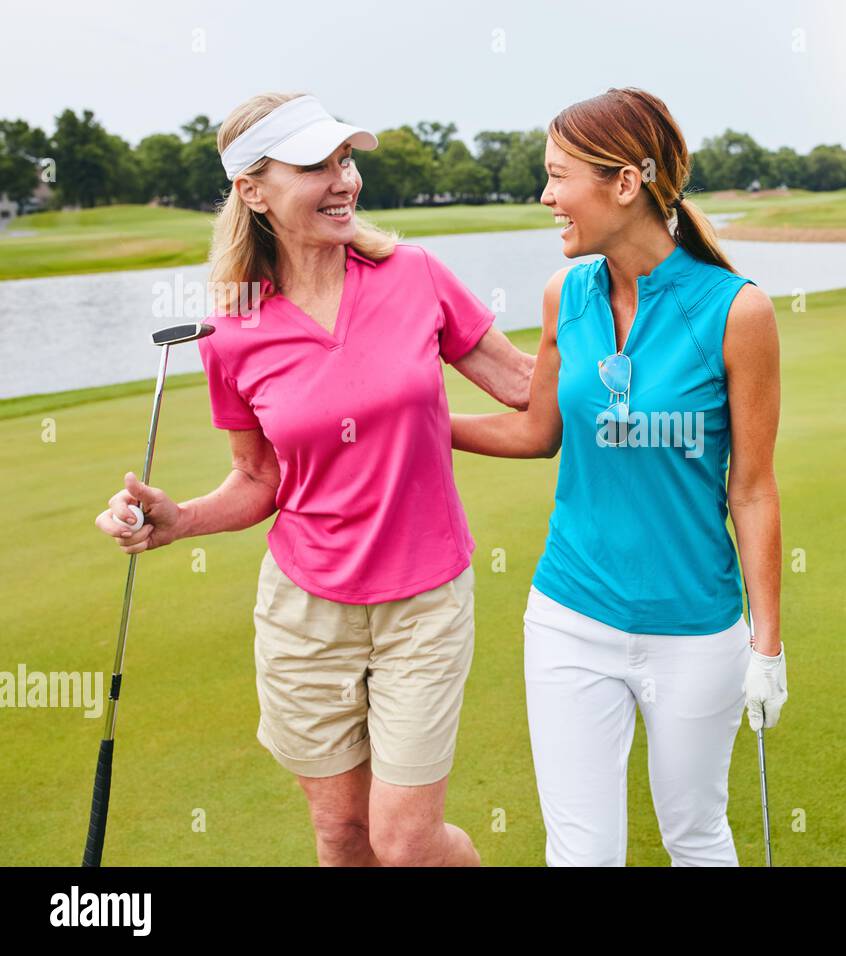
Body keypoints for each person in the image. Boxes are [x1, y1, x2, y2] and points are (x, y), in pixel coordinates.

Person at [92, 91, 534, 866]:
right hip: (306, 616)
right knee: (342, 835)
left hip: (423, 605)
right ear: (252, 190)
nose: (344, 181)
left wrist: (637, 340)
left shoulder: (414, 274)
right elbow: (258, 479)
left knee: (405, 842)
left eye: (345, 160)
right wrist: (178, 520)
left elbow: (527, 385)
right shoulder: (233, 330)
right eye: (316, 166)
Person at [452, 87, 788, 866]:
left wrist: (766, 646)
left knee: (696, 836)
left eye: (558, 176)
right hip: (570, 616)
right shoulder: (562, 296)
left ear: (625, 184)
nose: (545, 196)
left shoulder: (738, 312)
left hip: (696, 632)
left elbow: (753, 487)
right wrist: (424, 429)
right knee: (581, 852)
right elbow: (539, 433)